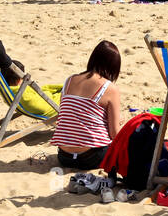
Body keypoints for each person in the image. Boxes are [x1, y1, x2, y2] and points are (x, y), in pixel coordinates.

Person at [51, 40, 122, 171]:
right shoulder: (109, 88)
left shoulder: (69, 80)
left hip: (64, 157)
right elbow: (114, 133)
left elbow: (69, 115)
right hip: (92, 158)